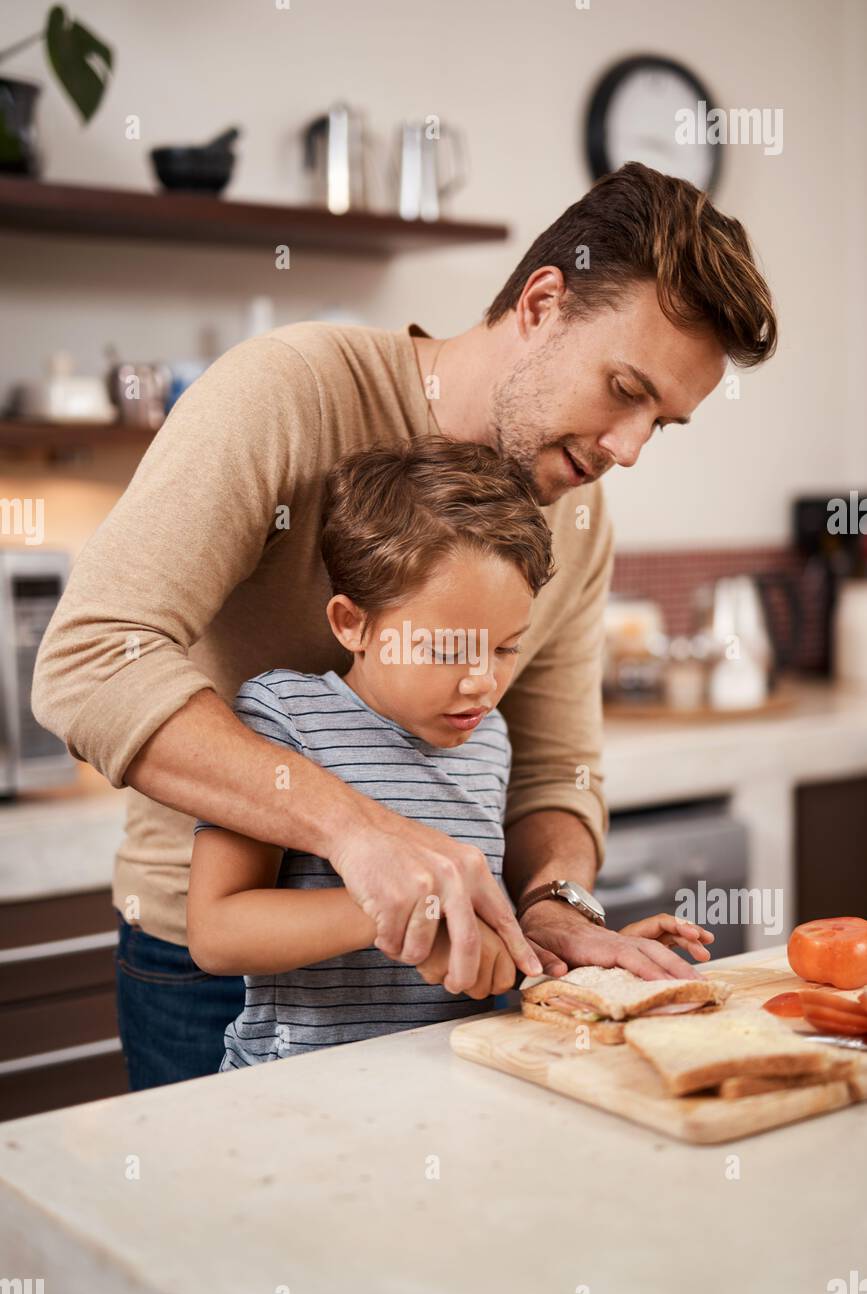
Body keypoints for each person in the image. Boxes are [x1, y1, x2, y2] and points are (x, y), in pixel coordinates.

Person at [31, 162, 775, 1089]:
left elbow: (550, 769)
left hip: (447, 979)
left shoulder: (577, 516)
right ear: (541, 304)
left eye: (660, 423)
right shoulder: (286, 395)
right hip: (220, 982)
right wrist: (360, 834)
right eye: (624, 388)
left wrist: (551, 902)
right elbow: (90, 659)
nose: (626, 448)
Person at [187, 438, 713, 1070]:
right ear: (351, 623)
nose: (482, 682)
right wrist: (396, 904)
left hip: (446, 1083)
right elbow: (217, 932)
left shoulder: (486, 737)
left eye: (506, 648)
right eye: (447, 650)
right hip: (299, 1092)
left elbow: (488, 945)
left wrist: (579, 959)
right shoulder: (285, 717)